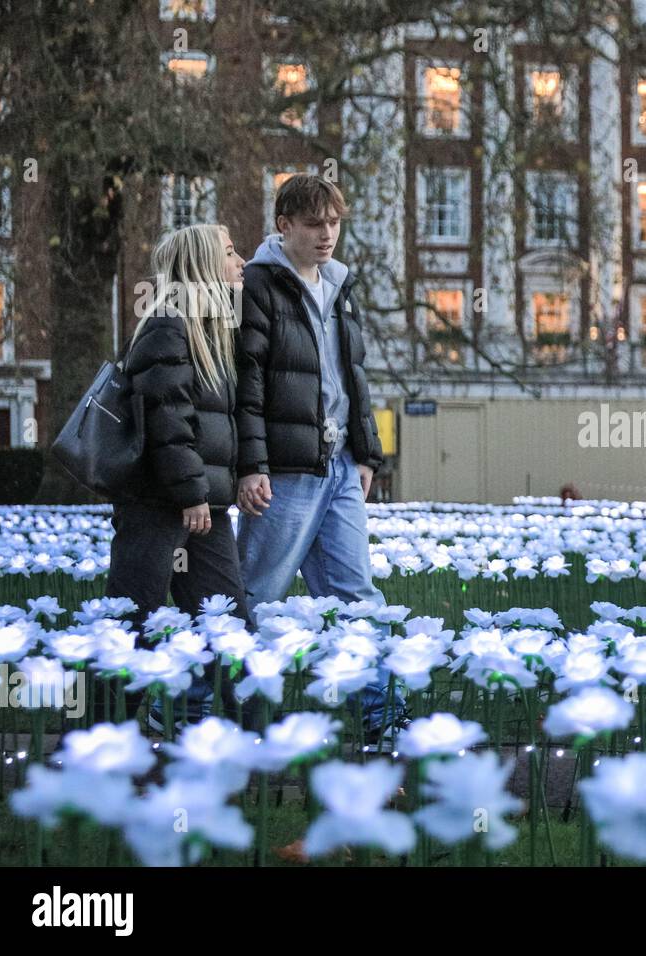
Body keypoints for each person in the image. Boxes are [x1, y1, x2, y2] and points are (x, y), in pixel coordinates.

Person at [234, 173, 403, 740]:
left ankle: (379, 716)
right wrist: (251, 465)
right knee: (259, 596)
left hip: (339, 469)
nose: (327, 233)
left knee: (356, 595)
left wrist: (365, 453)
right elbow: (248, 382)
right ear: (284, 226)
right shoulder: (259, 284)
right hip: (284, 471)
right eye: (313, 223)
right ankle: (221, 714)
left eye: (333, 222)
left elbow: (352, 378)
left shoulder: (339, 283)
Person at [105, 223, 250, 724]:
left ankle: (250, 744)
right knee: (133, 624)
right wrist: (192, 493)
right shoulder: (168, 325)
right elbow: (169, 420)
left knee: (228, 623)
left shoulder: (212, 329)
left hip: (202, 507)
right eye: (231, 253)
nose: (241, 262)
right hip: (159, 508)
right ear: (204, 265)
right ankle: (92, 748)